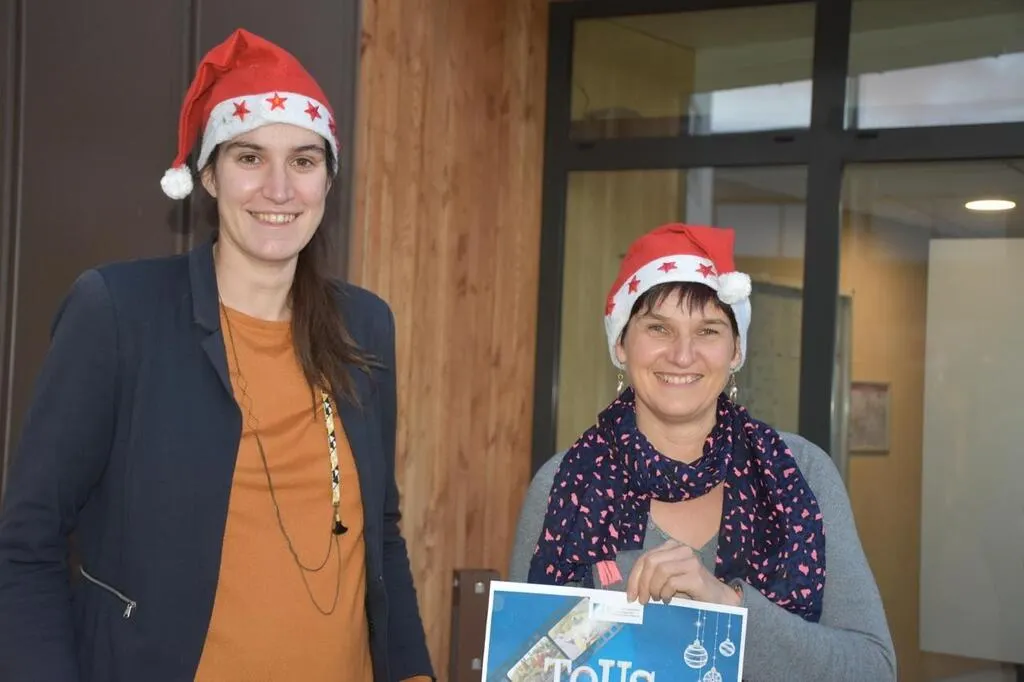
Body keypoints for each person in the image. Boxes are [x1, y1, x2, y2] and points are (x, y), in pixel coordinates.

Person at [0, 29, 433, 682]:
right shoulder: (118, 312)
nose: (279, 189)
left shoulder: (364, 325)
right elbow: (26, 545)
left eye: (305, 161)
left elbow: (382, 532)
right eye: (250, 157)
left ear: (328, 179)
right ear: (207, 173)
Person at [508, 223, 896, 681]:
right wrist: (615, 583)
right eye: (658, 327)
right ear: (620, 343)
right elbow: (520, 670)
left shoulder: (802, 472)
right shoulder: (563, 485)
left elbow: (872, 670)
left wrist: (726, 607)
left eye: (708, 331)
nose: (683, 355)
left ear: (736, 351)